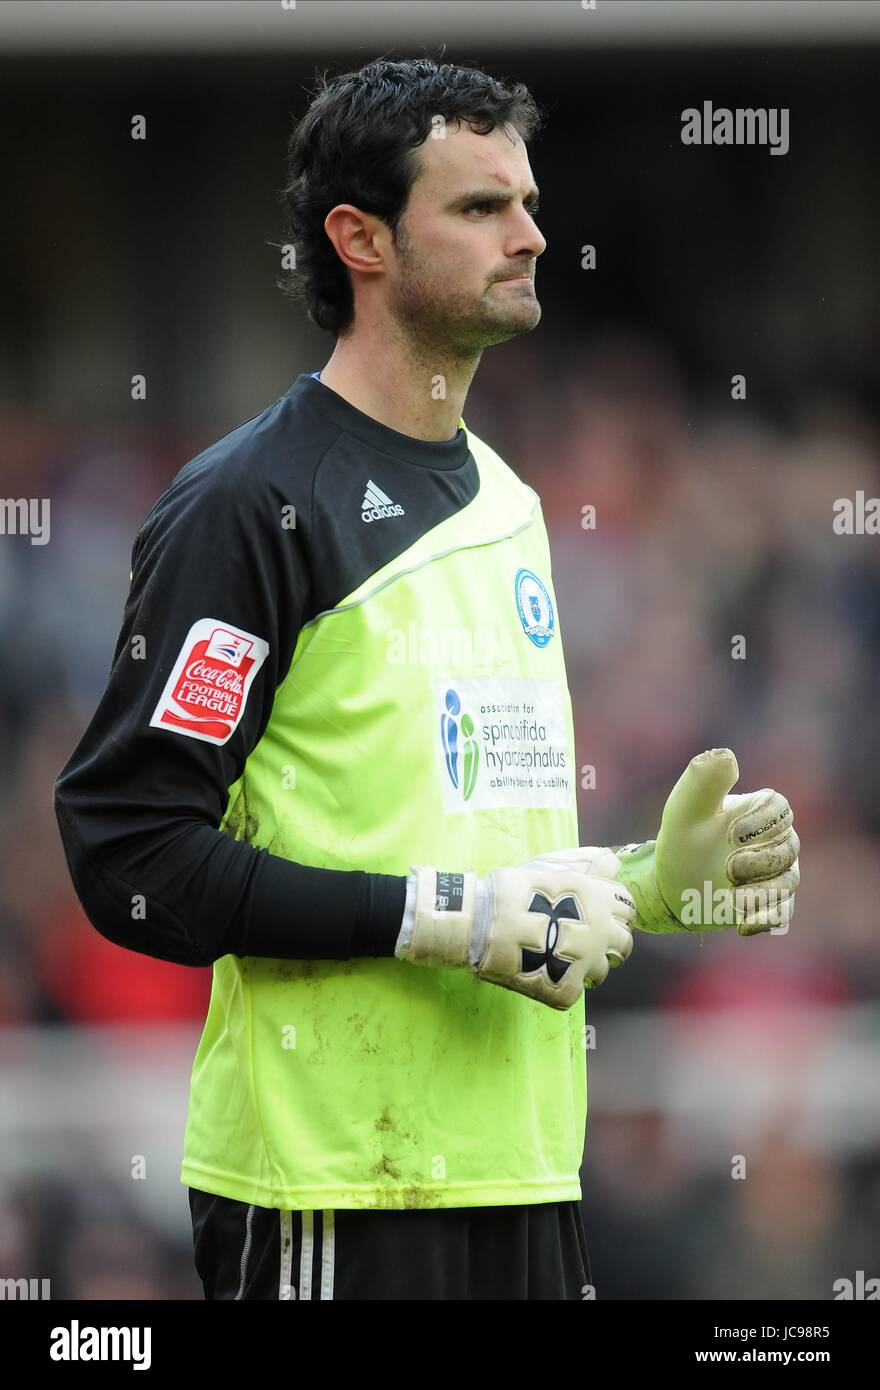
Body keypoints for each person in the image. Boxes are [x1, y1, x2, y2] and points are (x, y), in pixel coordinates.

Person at [54, 56, 798, 1301]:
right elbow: (128, 852)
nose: (532, 236)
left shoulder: (511, 504)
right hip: (330, 1186)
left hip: (521, 1169)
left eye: (528, 201)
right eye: (479, 208)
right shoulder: (250, 505)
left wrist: (647, 887)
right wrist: (439, 919)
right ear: (360, 239)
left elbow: (463, 854)